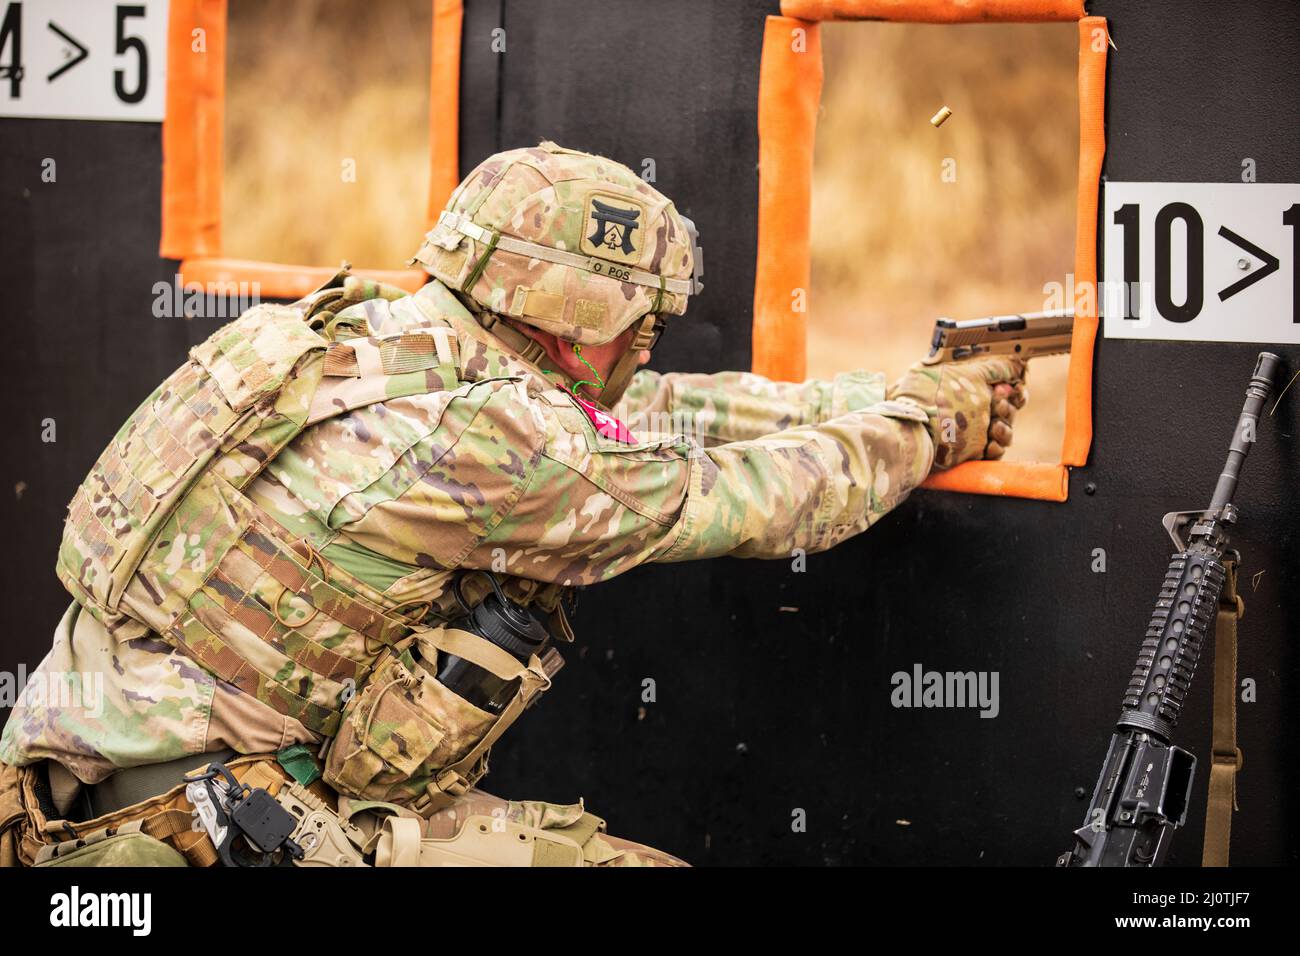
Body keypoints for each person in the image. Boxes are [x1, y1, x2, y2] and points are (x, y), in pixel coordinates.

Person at [0, 141, 1025, 867]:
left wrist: (881, 392)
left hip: (57, 792)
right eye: (642, 324)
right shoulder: (495, 444)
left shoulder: (342, 334)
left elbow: (656, 413)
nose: (647, 348)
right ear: (580, 316)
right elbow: (758, 500)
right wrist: (927, 431)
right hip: (210, 827)